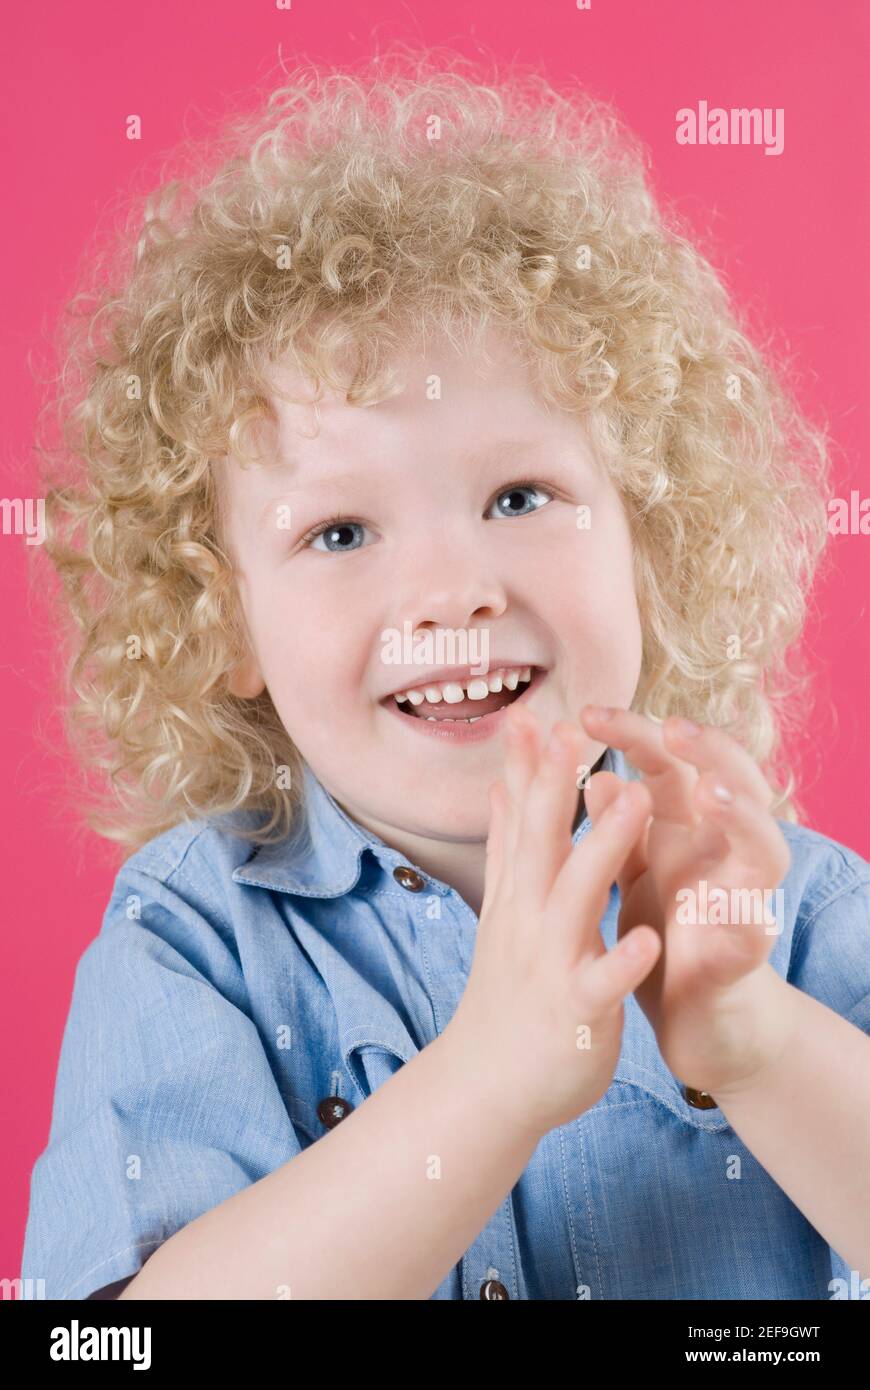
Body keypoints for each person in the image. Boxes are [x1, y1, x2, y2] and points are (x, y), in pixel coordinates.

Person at [21, 49, 870, 1300]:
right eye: (341, 533)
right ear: (225, 617)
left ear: (650, 533)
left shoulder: (785, 913)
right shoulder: (194, 939)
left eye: (520, 495)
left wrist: (754, 1042)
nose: (452, 592)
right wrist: (489, 1081)